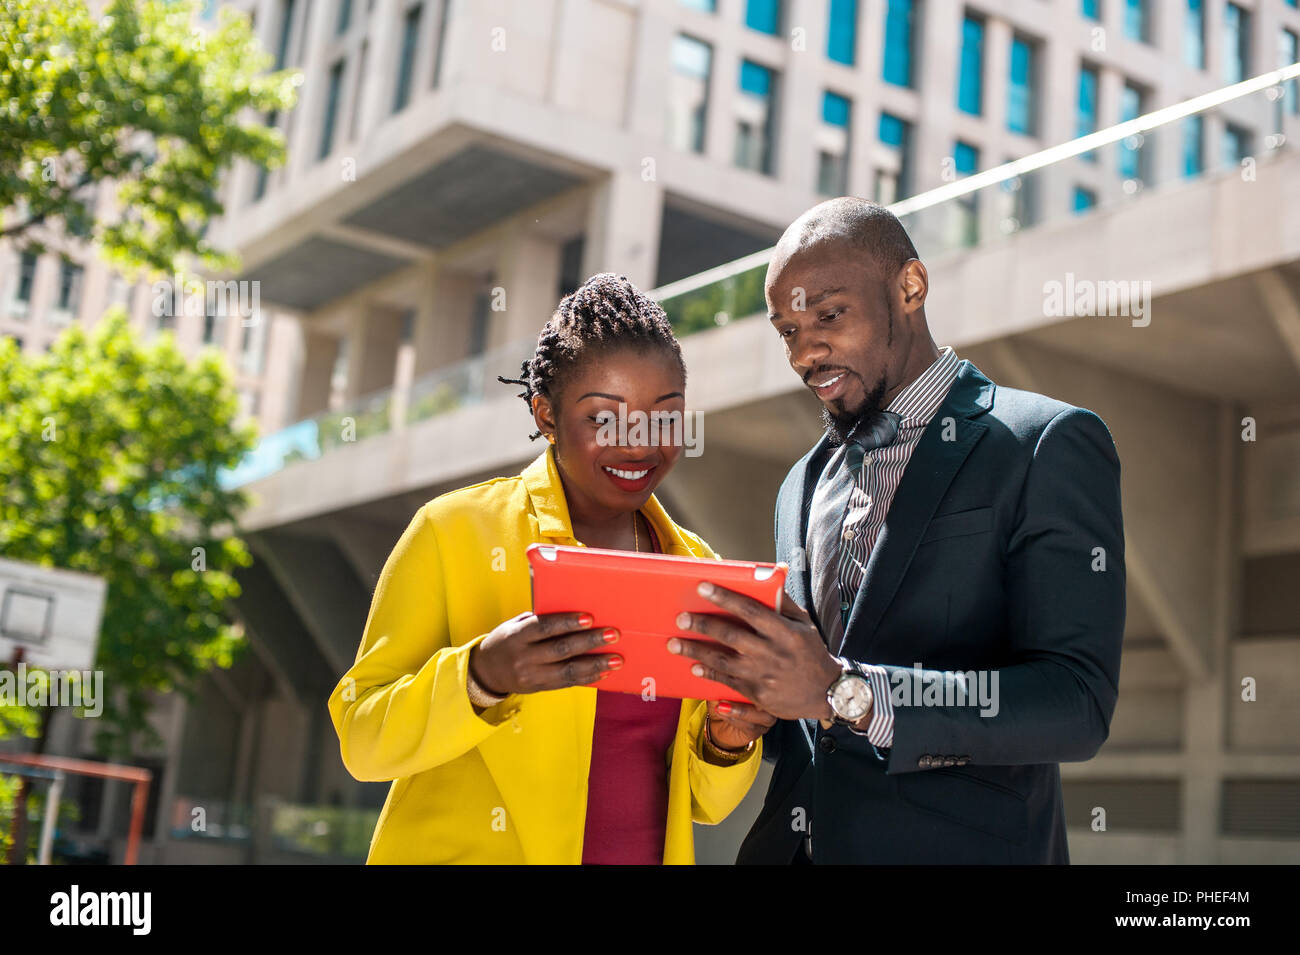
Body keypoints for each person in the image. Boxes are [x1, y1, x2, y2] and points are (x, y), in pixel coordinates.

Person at [667, 197, 1126, 864]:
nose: (806, 349)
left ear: (910, 288)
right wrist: (742, 722)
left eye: (828, 315)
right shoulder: (799, 484)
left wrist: (845, 691)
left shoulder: (1042, 444)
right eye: (787, 330)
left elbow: (1076, 704)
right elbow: (812, 725)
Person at [327, 273, 770, 864]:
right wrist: (480, 677)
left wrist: (728, 740)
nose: (638, 443)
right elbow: (363, 740)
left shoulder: (697, 567)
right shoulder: (452, 531)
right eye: (603, 418)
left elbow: (701, 803)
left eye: (664, 416)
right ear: (546, 414)